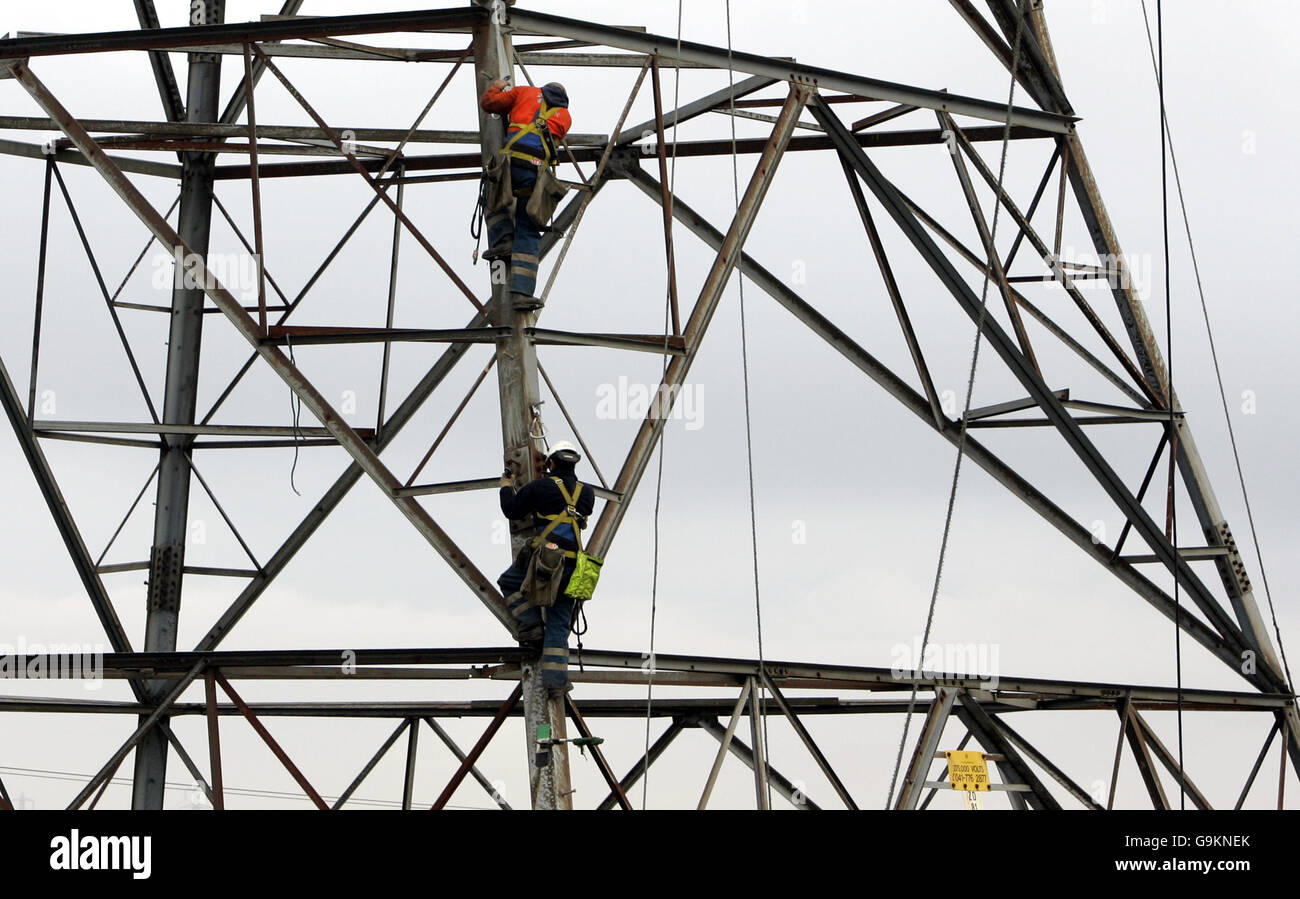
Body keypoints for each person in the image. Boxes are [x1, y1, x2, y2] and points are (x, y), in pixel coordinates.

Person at [497, 440, 595, 694]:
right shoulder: (587, 493)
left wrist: (507, 487)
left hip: (548, 560)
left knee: (509, 582)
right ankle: (555, 683)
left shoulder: (541, 486)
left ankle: (530, 626)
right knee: (559, 623)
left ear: (550, 463)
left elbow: (513, 510)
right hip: (576, 565)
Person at [478, 79, 572, 310]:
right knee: (528, 229)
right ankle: (521, 293)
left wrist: (498, 85)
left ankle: (503, 241)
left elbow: (489, 103)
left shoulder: (525, 92)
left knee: (491, 199)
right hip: (536, 173)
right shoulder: (565, 117)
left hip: (513, 163)